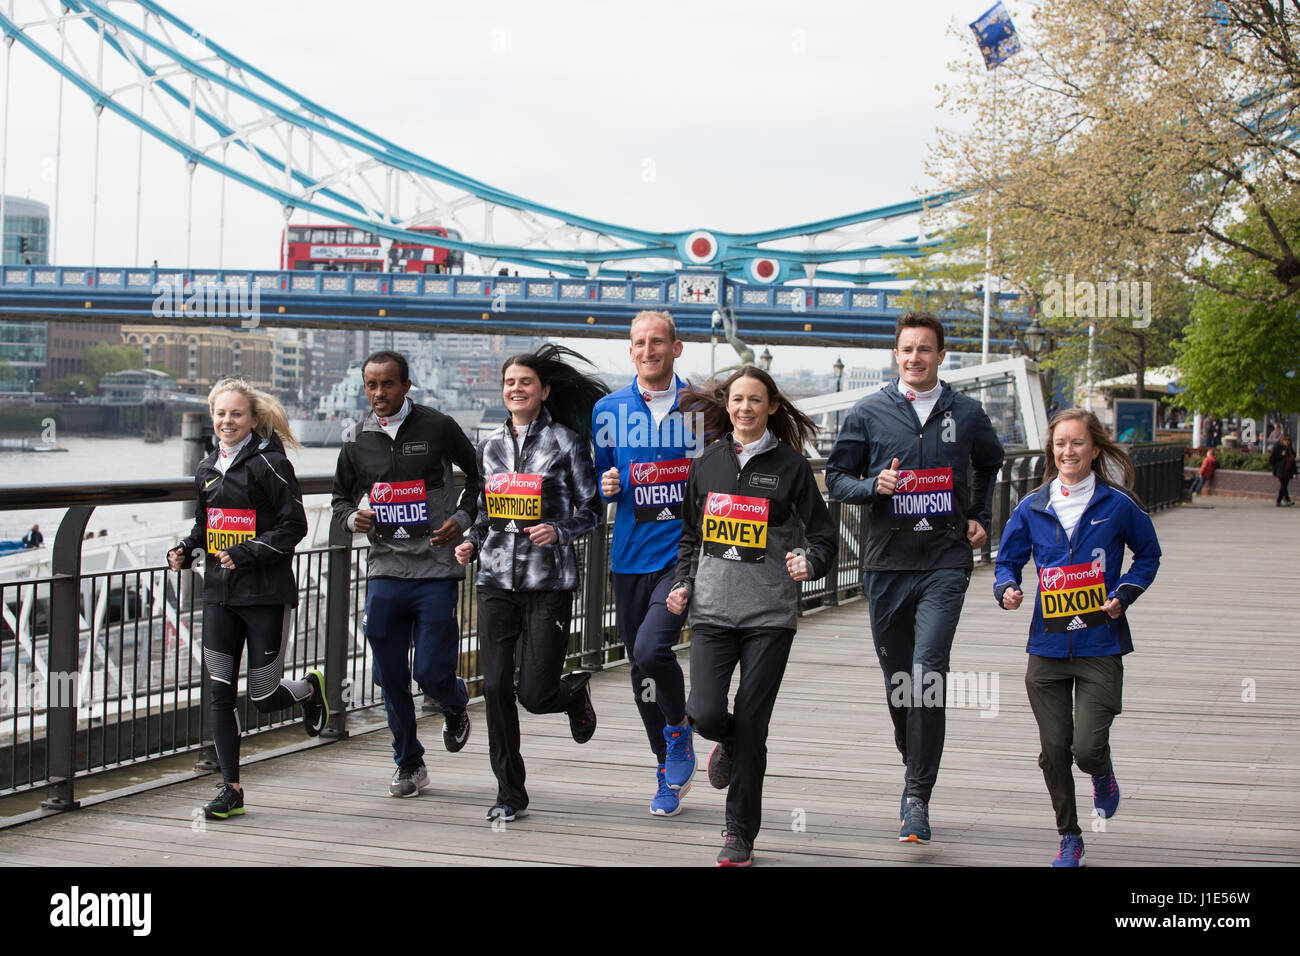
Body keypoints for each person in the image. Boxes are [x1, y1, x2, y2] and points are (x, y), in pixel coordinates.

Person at [825, 311, 1004, 844]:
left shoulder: (967, 414)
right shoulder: (868, 412)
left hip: (944, 563)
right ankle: (916, 760)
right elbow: (836, 479)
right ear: (896, 355)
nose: (915, 358)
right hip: (886, 563)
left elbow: (990, 463)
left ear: (941, 356)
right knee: (899, 682)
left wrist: (981, 516)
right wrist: (872, 487)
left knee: (928, 673)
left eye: (925, 349)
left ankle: (916, 795)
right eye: (907, 349)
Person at [667, 367, 836, 866]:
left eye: (755, 400)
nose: (745, 408)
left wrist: (812, 561)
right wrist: (682, 583)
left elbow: (824, 536)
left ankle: (738, 834)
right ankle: (729, 743)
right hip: (713, 613)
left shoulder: (792, 467)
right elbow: (690, 538)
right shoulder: (707, 464)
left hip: (769, 615)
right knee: (706, 713)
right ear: (728, 406)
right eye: (737, 400)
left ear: (772, 408)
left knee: (754, 725)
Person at [993, 409, 1161, 866]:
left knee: (1085, 748)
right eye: (1061, 444)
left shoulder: (1119, 505)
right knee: (1053, 750)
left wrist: (1123, 594)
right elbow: (1006, 561)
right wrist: (1006, 588)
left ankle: (1101, 772)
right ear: (1052, 450)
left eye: (1077, 443)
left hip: (1099, 643)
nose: (1068, 451)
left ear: (1095, 449)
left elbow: (1149, 555)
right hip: (1046, 648)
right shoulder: (1032, 506)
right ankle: (1070, 835)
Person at [455, 345, 606, 822]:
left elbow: (593, 511)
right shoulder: (489, 445)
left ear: (543, 391)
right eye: (509, 383)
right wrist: (471, 542)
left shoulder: (566, 443)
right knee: (496, 685)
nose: (516, 389)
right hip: (495, 580)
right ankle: (509, 793)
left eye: (525, 382)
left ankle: (572, 692)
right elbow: (485, 515)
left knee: (535, 694)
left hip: (549, 582)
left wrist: (559, 530)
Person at [168, 378, 326, 820]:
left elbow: (294, 527)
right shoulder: (206, 469)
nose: (226, 421)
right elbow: (206, 526)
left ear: (253, 419)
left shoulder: (271, 465)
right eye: (220, 414)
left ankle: (309, 689)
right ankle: (231, 788)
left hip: (264, 595)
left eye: (236, 414)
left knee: (262, 695)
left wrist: (246, 552)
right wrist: (185, 548)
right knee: (218, 692)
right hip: (218, 595)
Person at [331, 351, 481, 797]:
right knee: (388, 674)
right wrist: (349, 519)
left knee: (432, 673)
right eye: (371, 386)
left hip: (435, 565)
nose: (379, 394)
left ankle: (454, 702)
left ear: (407, 385)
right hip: (385, 568)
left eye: (388, 385)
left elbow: (480, 476)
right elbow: (341, 499)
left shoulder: (438, 426)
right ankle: (409, 763)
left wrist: (463, 517)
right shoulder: (356, 439)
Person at [592, 310, 698, 817]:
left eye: (658, 342)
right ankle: (665, 770)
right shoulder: (608, 410)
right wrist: (606, 486)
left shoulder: (701, 407)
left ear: (676, 349)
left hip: (681, 554)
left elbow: (722, 473)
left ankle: (678, 729)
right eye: (639, 342)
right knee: (641, 670)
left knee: (655, 649)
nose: (648, 350)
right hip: (629, 555)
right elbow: (600, 477)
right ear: (630, 350)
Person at [1269, 434, 1296, 507]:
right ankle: (1288, 500)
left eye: (1288, 440)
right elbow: (1272, 459)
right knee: (1284, 485)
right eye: (1285, 440)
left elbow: (1293, 461)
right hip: (1280, 470)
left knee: (1284, 486)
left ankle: (1278, 501)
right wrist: (1281, 455)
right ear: (1282, 441)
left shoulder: (1290, 449)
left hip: (1288, 471)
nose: (1287, 442)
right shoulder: (1279, 448)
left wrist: (1295, 472)